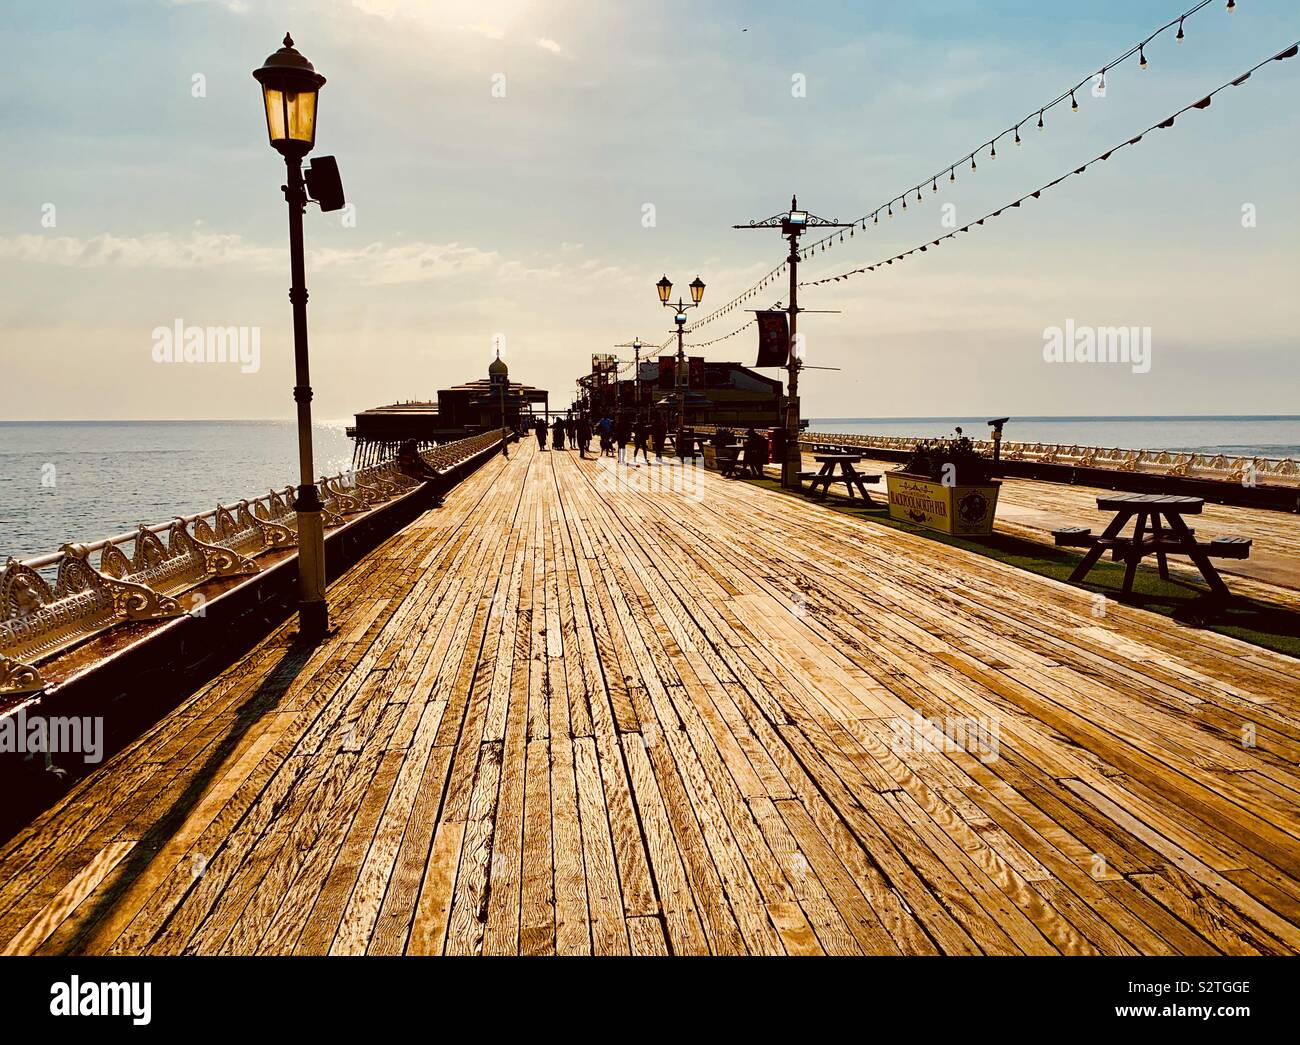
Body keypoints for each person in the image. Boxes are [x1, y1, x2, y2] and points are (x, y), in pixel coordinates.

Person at [396, 440, 444, 506]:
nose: (417, 447)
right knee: (432, 480)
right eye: (415, 446)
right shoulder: (405, 456)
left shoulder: (414, 454)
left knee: (436, 476)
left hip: (417, 473)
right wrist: (420, 472)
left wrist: (435, 472)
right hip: (410, 475)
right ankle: (431, 499)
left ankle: (437, 496)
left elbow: (423, 464)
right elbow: (409, 468)